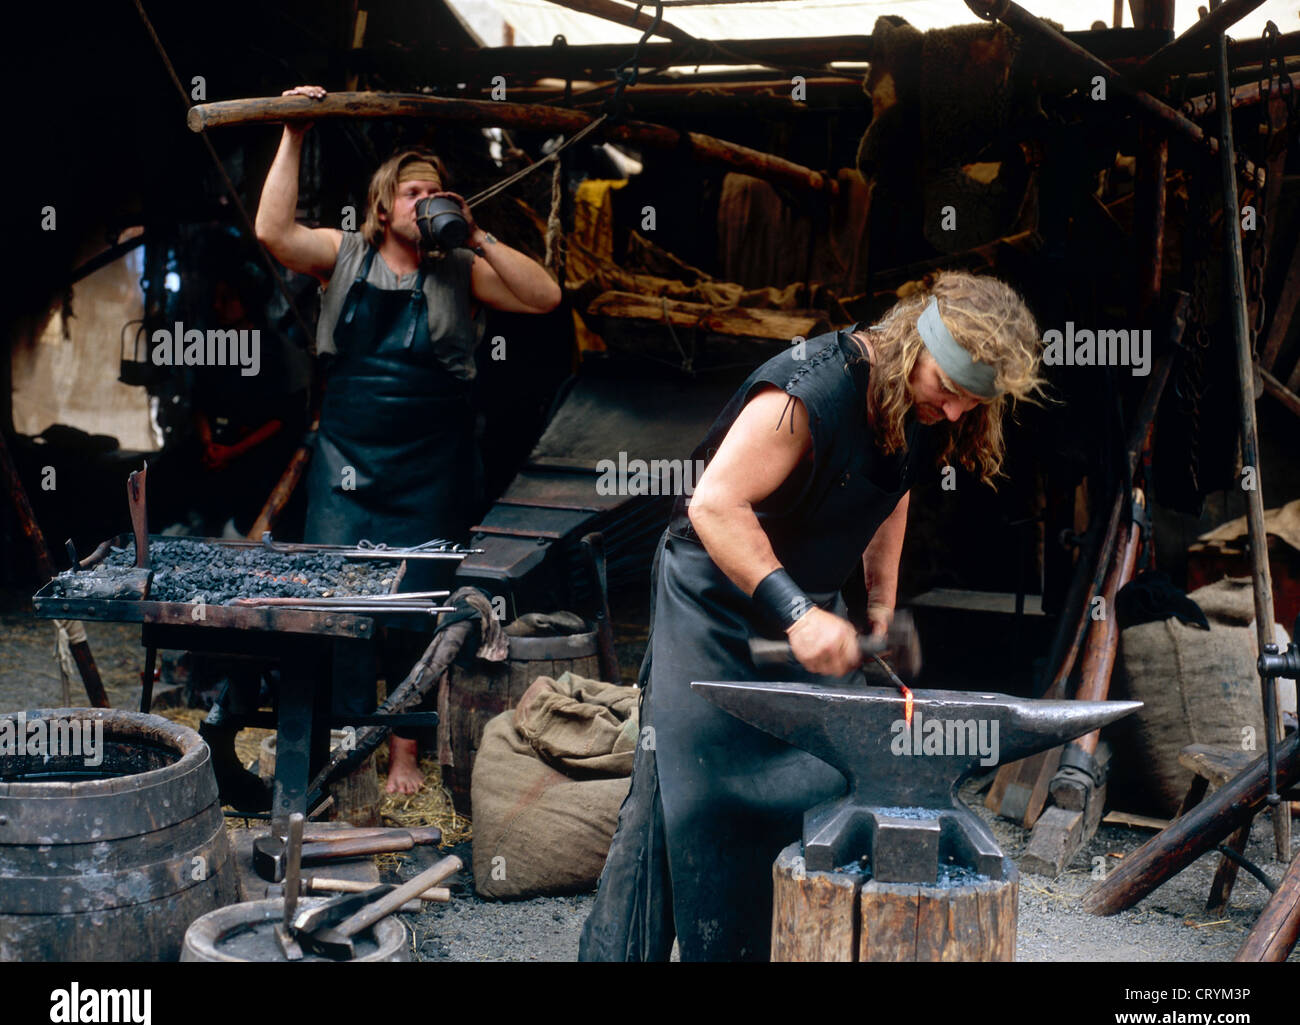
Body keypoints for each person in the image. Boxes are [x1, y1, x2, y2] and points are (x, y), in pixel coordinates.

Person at [578, 270, 1046, 961]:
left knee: (820, 784)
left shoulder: (915, 405)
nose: (952, 414)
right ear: (915, 344)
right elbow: (713, 505)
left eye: (969, 404)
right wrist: (796, 611)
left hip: (809, 609)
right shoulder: (811, 388)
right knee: (691, 799)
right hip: (714, 603)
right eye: (947, 391)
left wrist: (880, 606)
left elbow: (891, 491)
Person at [255, 85, 561, 792]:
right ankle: (351, 743)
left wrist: (476, 233)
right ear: (384, 205)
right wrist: (294, 134)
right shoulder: (342, 255)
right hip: (348, 466)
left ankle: (405, 753)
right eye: (414, 191)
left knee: (419, 609)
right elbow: (273, 232)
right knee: (349, 605)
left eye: (437, 192)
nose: (427, 201)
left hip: (433, 468)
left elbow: (545, 297)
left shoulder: (464, 271)